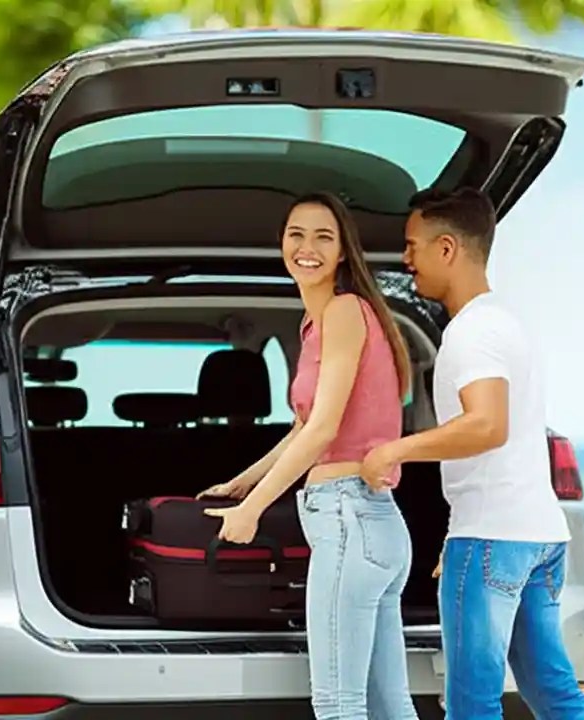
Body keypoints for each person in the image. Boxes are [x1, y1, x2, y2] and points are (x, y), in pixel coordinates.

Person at [360, 188, 584, 719]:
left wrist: (395, 448)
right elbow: (506, 445)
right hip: (537, 536)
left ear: (447, 248)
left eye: (412, 245)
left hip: (493, 540)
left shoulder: (472, 333)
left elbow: (487, 425)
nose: (406, 260)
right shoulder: (505, 321)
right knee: (556, 695)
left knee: (472, 705)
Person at [197, 192, 419, 720]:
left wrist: (252, 512)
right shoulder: (319, 322)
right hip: (376, 525)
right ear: (281, 244)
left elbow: (322, 431)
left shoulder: (344, 311)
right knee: (389, 706)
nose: (307, 247)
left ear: (343, 252)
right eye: (296, 234)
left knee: (338, 705)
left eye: (324, 236)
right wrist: (244, 483)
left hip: (348, 521)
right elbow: (302, 426)